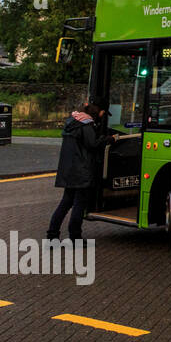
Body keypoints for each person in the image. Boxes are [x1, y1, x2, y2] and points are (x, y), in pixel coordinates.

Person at [47, 102, 114, 241]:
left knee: (65, 203)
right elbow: (93, 144)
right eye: (103, 113)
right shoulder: (86, 124)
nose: (103, 117)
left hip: (69, 170)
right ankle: (75, 237)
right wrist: (108, 139)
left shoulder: (72, 121)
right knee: (79, 205)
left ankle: (52, 235)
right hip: (81, 171)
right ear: (98, 112)